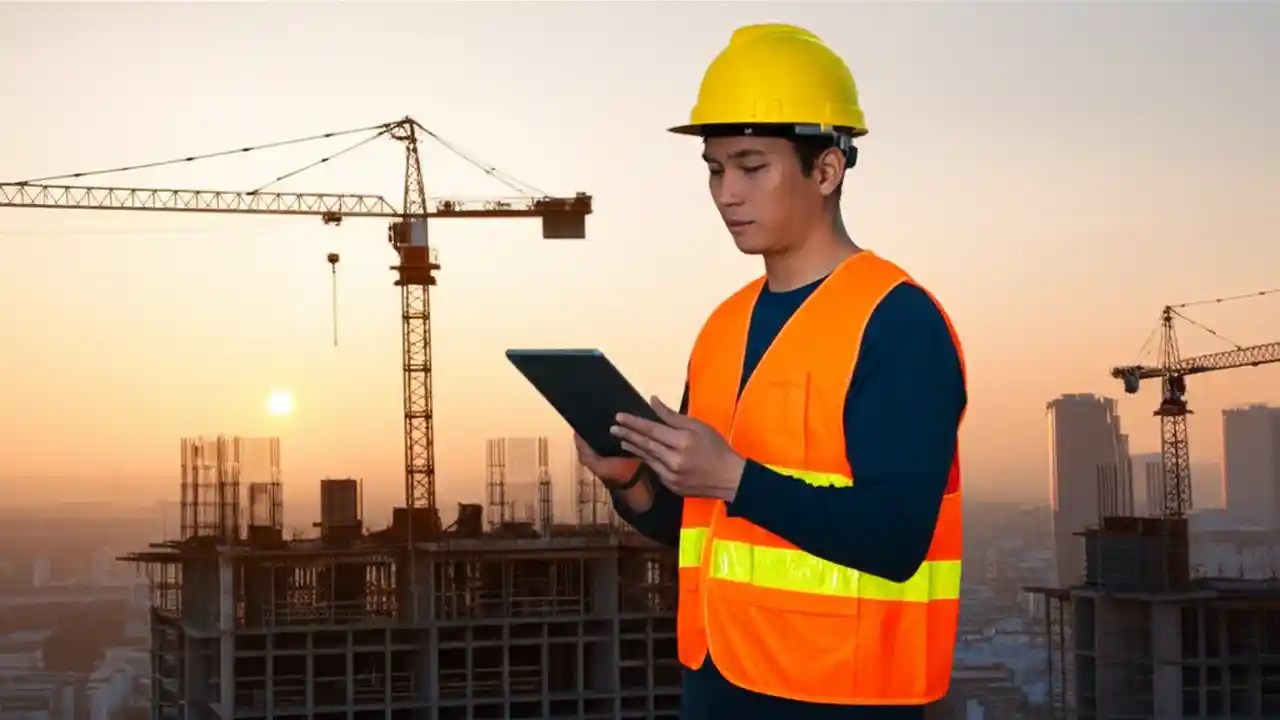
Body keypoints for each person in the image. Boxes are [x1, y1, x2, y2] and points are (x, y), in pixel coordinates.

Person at [574, 23, 968, 720]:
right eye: (714, 169)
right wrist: (632, 481)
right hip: (718, 685)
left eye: (752, 166)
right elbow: (700, 526)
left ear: (826, 170)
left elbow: (897, 535)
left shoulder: (898, 322)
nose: (727, 193)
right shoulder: (723, 327)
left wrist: (734, 476)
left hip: (840, 697)